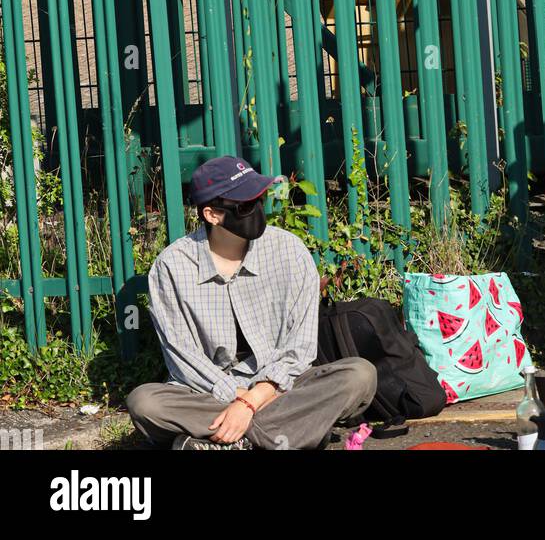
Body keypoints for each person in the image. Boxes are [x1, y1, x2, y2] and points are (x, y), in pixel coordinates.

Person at [126, 156, 377, 450]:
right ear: (212, 215)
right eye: (245, 206)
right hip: (207, 391)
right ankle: (289, 434)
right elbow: (181, 356)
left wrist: (253, 400)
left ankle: (228, 441)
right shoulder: (172, 267)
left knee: (360, 375)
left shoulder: (289, 252)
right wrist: (237, 397)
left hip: (279, 386)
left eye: (261, 199)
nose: (258, 210)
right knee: (144, 402)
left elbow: (301, 348)